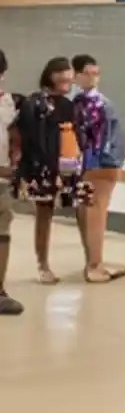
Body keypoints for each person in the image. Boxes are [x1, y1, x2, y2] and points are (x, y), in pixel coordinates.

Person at [14, 57, 94, 285]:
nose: (68, 79)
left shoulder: (69, 104)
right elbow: (31, 139)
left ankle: (91, 260)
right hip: (45, 169)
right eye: (63, 74)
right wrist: (38, 170)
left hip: (72, 167)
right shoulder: (35, 103)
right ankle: (43, 264)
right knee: (44, 213)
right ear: (51, 75)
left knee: (82, 210)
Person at [72, 54, 125, 283]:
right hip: (100, 164)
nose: (93, 78)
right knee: (95, 212)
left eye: (96, 73)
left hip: (85, 165)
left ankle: (92, 262)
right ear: (77, 75)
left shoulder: (76, 103)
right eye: (88, 73)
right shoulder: (97, 104)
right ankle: (95, 266)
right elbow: (101, 139)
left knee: (87, 211)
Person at [0, 49, 23, 314]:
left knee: (2, 230)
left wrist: (16, 164)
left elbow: (16, 140)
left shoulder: (11, 103)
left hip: (2, 182)